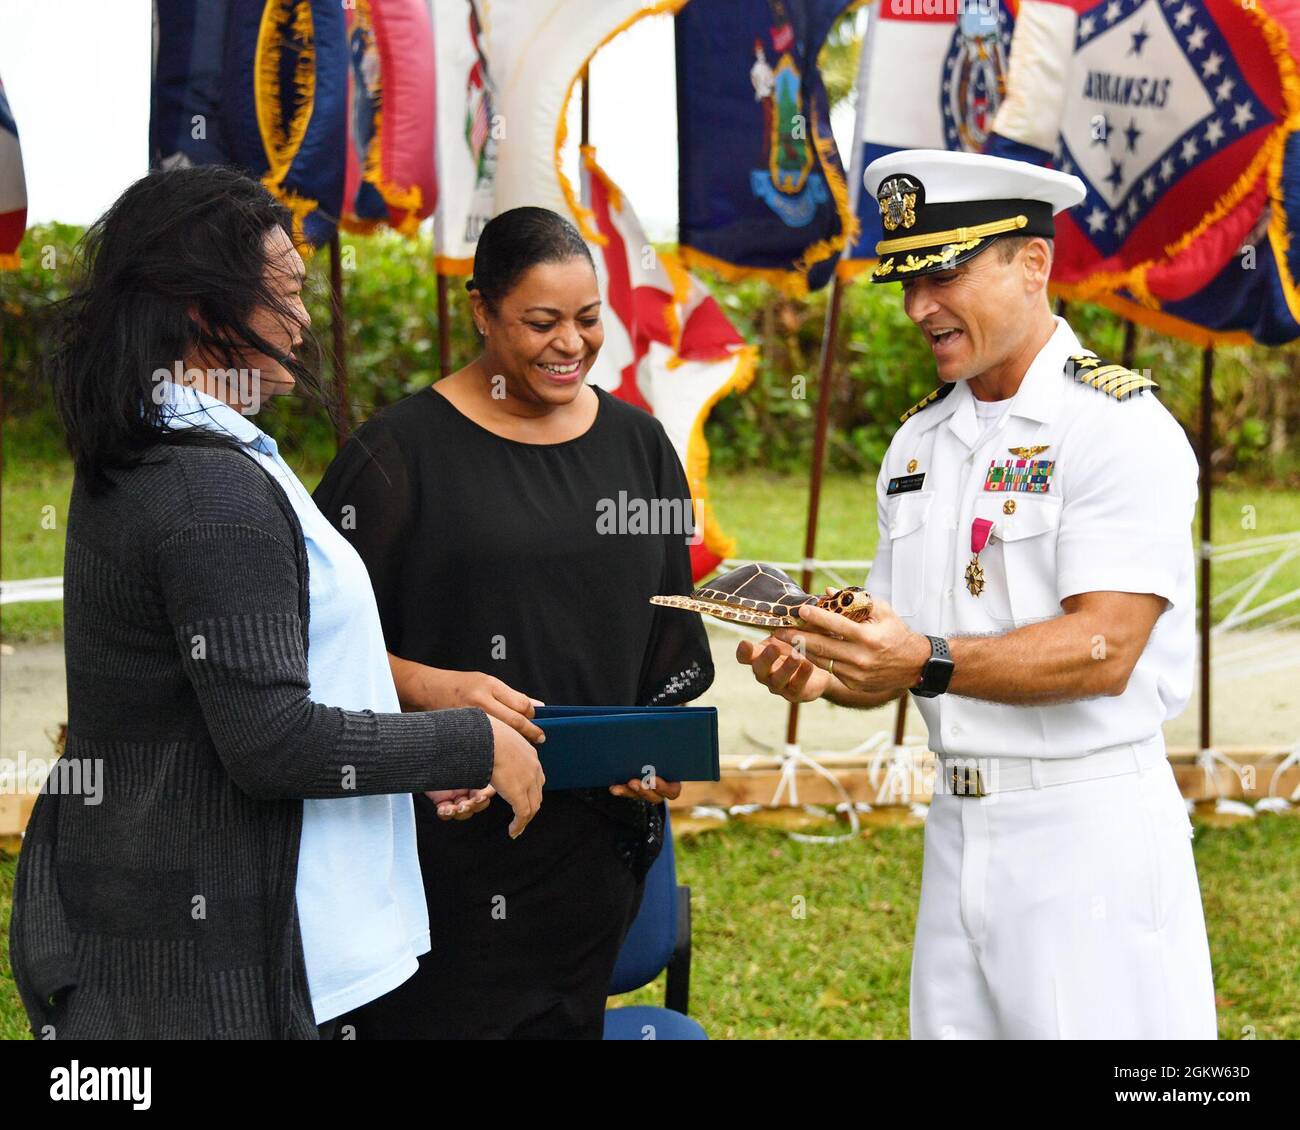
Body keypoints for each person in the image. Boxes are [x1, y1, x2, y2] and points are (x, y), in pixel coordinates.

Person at [8, 166, 543, 1040]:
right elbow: (270, 741)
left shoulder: (156, 449)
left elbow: (240, 683)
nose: (303, 321)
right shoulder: (207, 490)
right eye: (284, 294)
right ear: (199, 309)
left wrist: (419, 721)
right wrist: (471, 742)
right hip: (225, 968)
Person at [738, 149, 1217, 1040]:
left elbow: (1104, 648)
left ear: (1033, 264)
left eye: (944, 273)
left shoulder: (1117, 429)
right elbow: (901, 652)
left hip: (1086, 829)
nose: (920, 306)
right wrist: (827, 670)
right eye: (908, 280)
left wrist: (918, 657)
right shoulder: (920, 441)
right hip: (956, 821)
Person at [312, 206, 714, 1039]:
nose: (571, 343)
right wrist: (430, 695)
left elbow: (663, 659)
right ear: (482, 311)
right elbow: (306, 641)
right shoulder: (395, 456)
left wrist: (654, 759)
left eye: (588, 318)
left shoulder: (641, 450)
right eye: (541, 321)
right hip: (435, 858)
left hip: (588, 863)